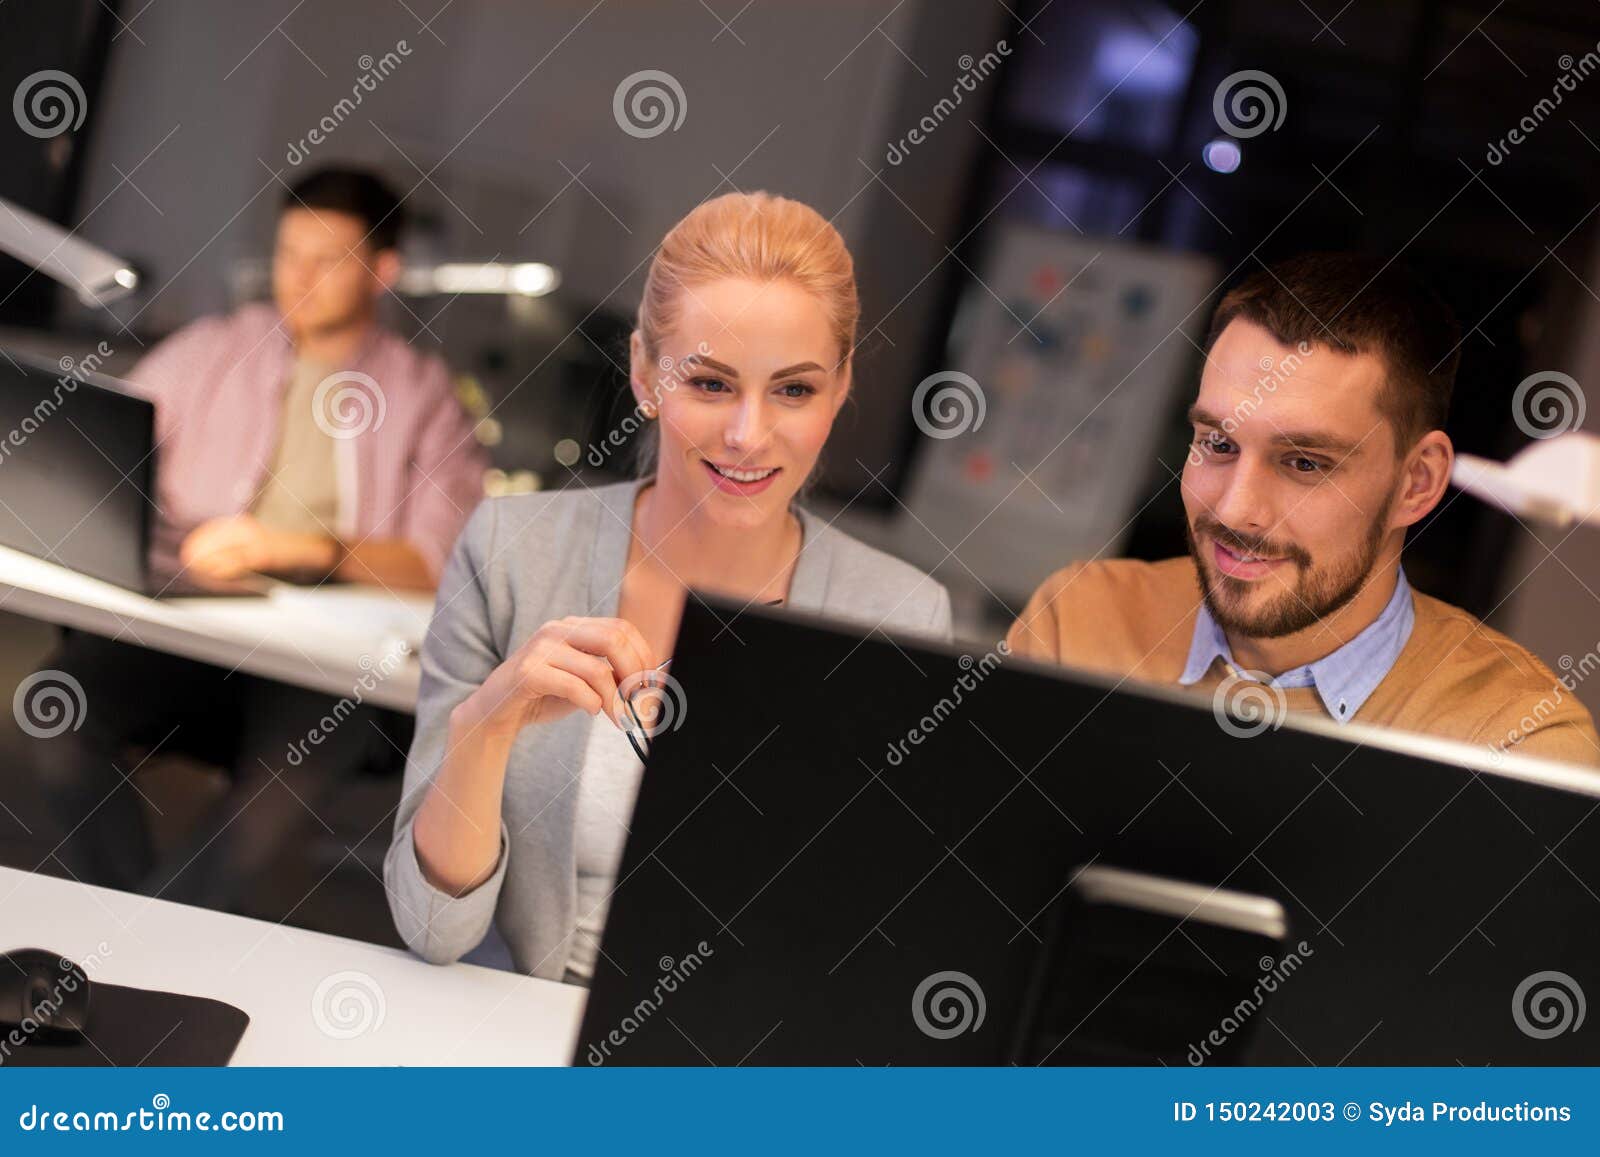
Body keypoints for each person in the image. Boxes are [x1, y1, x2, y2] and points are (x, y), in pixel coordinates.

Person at [385, 191, 953, 983]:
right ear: (646, 372)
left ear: (842, 385)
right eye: (711, 384)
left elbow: (870, 934)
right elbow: (432, 926)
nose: (749, 434)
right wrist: (489, 719)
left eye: (793, 389)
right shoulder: (512, 551)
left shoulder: (899, 615)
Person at [28, 166, 489, 908]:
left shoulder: (423, 392)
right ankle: (141, 932)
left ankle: (134, 948)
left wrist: (306, 549)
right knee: (53, 711)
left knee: (262, 819)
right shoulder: (209, 350)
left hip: (322, 663)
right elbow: (97, 459)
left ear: (383, 269)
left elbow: (443, 562)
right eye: (287, 253)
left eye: (326, 259)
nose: (298, 277)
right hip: (192, 621)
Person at [1007, 252, 1600, 767]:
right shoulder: (1078, 626)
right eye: (1219, 444)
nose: (1237, 511)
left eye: (1305, 464)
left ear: (1416, 483)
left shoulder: (1517, 743)